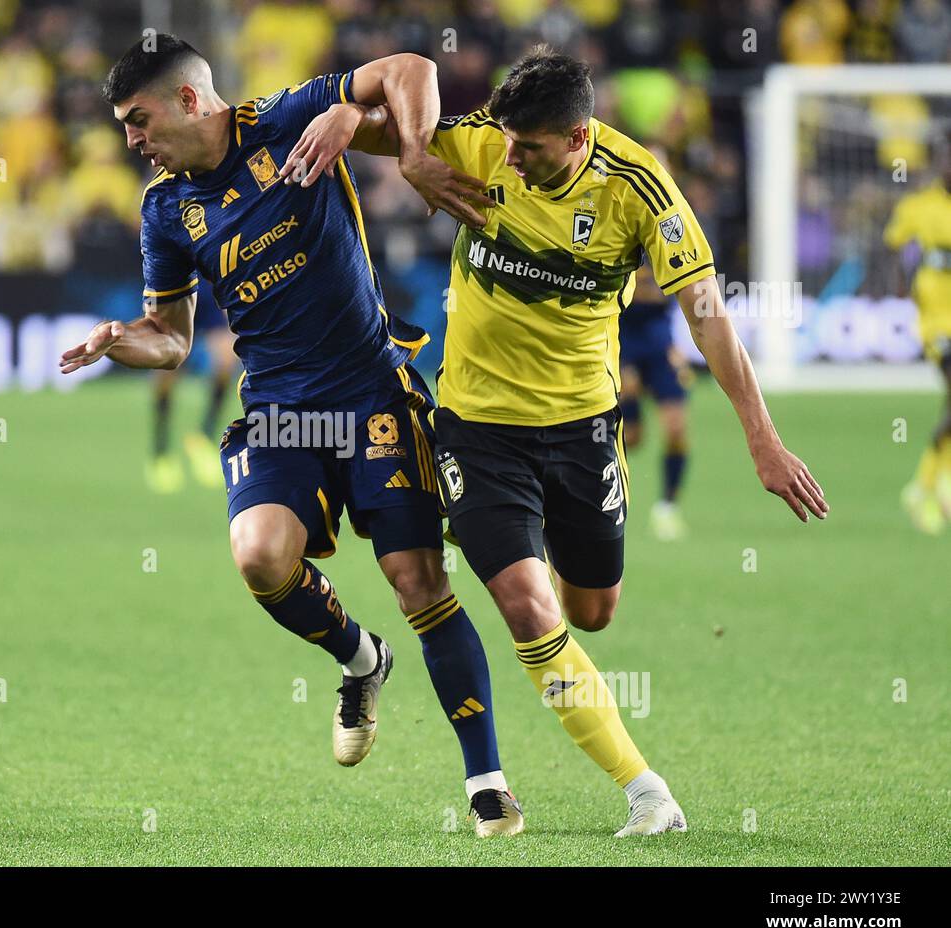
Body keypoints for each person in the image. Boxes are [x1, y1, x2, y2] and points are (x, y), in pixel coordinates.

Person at [294, 44, 829, 835]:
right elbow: (383, 127)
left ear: (577, 138)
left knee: (593, 609)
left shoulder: (639, 186)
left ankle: (560, 580)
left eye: (530, 147)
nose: (509, 156)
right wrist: (354, 118)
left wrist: (763, 438)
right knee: (527, 606)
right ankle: (646, 790)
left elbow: (708, 315)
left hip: (581, 428)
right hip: (476, 427)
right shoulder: (486, 138)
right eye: (507, 140)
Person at [60, 35, 524, 835]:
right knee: (258, 556)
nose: (130, 140)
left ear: (189, 100)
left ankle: (487, 782)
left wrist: (401, 146)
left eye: (138, 120)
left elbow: (412, 69)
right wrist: (119, 340)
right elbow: (171, 338)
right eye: (123, 127)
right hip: (279, 411)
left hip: (374, 392)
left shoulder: (281, 117)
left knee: (418, 580)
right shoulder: (166, 209)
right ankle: (360, 659)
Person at [886, 132, 951, 534]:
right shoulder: (918, 205)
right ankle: (931, 484)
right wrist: (902, 290)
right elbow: (893, 247)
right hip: (937, 321)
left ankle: (926, 485)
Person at [618, 260, 693, 540]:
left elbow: (684, 288)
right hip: (623, 342)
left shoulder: (667, 240)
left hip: (661, 346)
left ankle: (667, 508)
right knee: (632, 437)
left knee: (676, 430)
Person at [145, 292, 238, 494]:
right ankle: (161, 451)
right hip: (174, 293)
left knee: (227, 358)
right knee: (166, 371)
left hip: (208, 293)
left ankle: (203, 436)